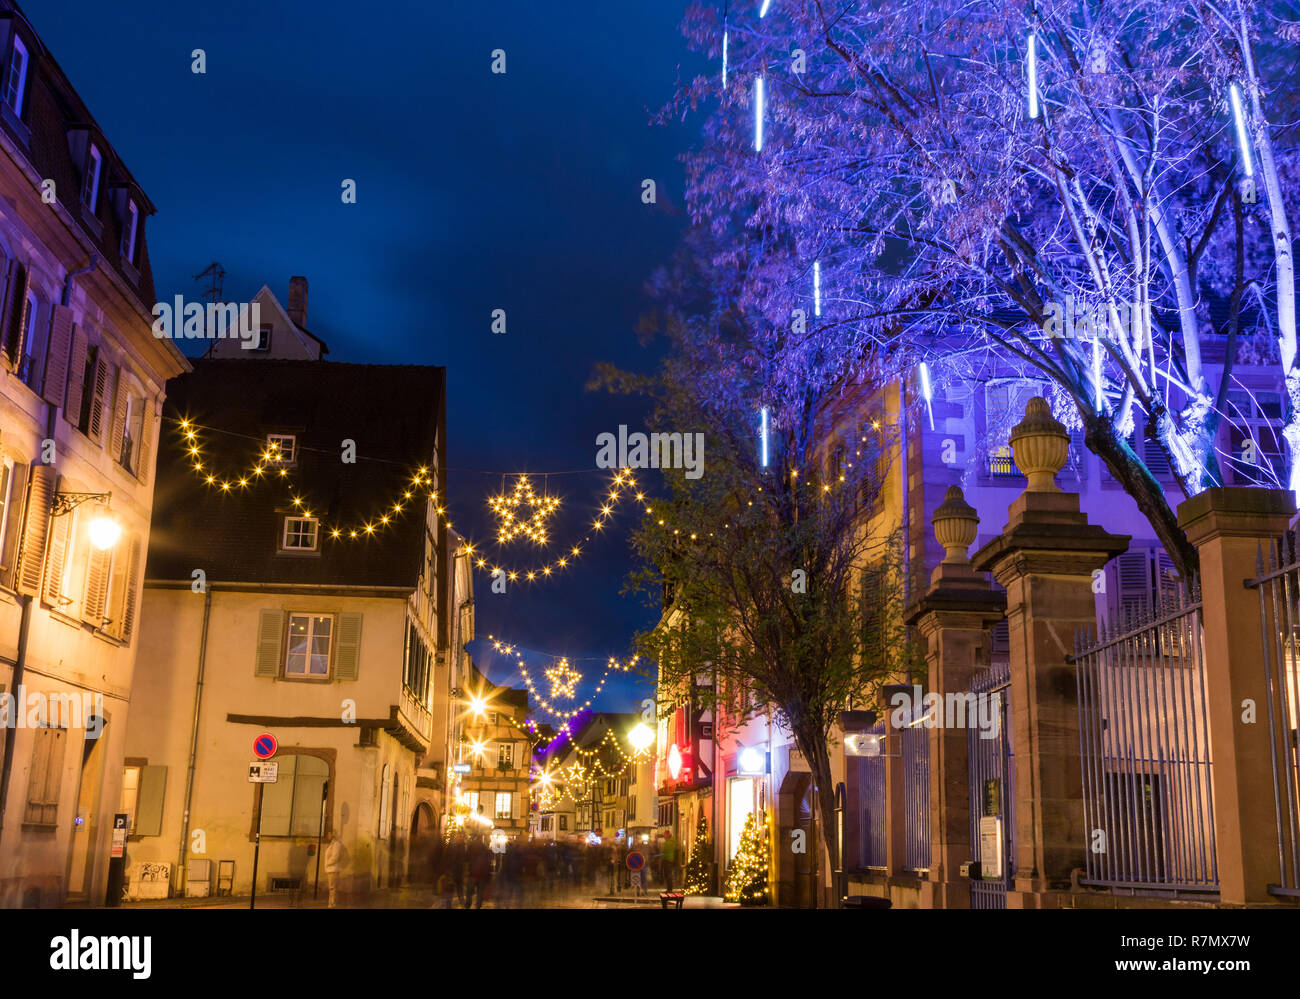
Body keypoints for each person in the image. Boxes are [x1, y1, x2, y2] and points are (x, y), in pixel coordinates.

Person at [323, 833, 346, 907]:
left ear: (333, 835)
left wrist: (328, 863)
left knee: (332, 888)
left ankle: (332, 904)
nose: (328, 836)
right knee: (332, 888)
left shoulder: (336, 844)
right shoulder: (332, 844)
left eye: (329, 834)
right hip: (330, 869)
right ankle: (332, 903)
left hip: (333, 869)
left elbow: (335, 857)